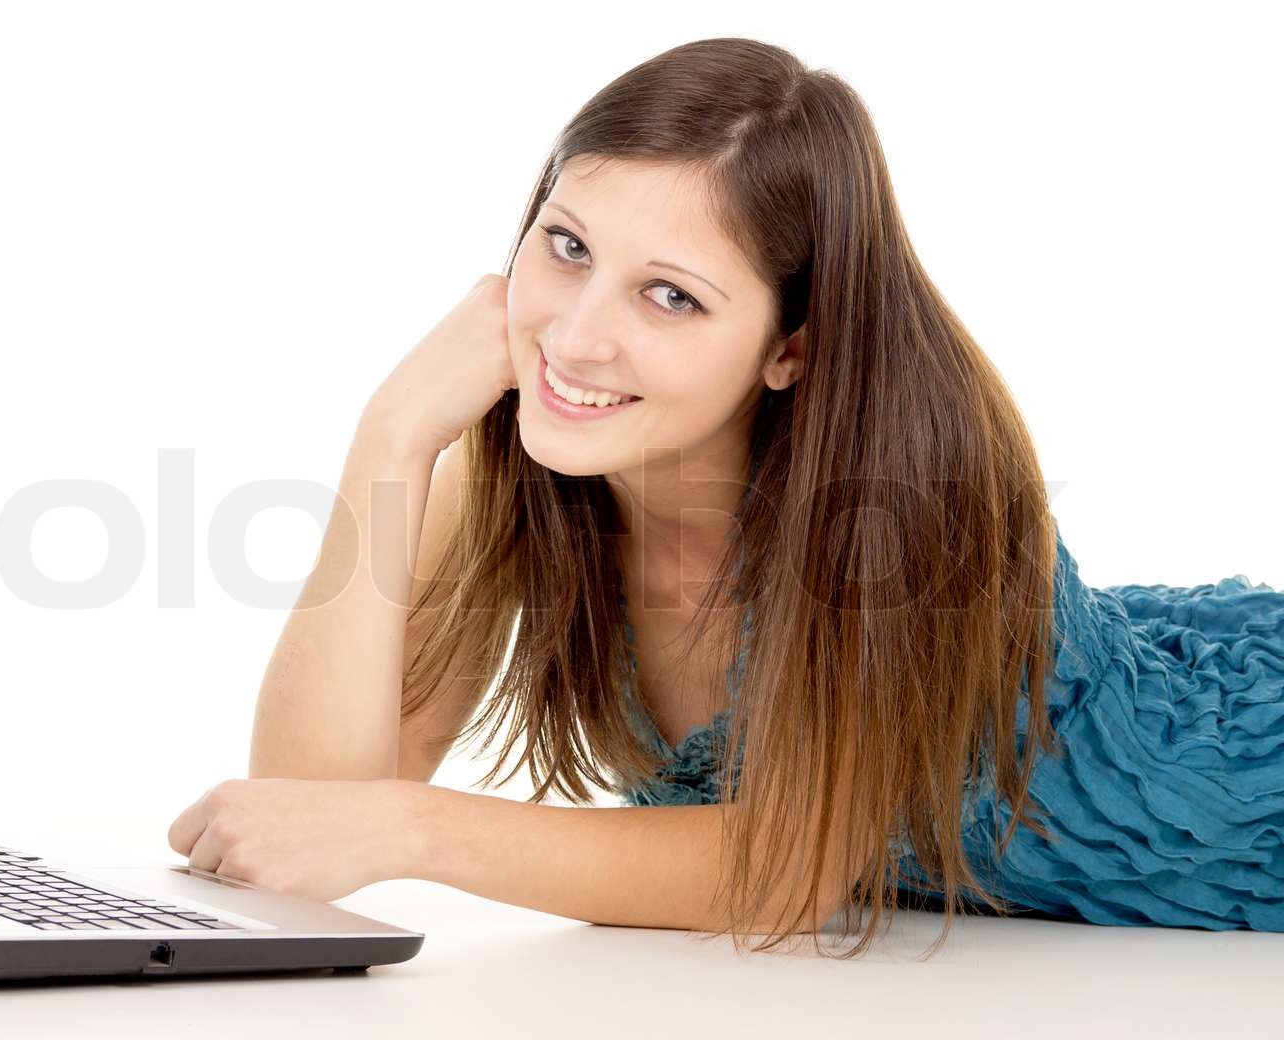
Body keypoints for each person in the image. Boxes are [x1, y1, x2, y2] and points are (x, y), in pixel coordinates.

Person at [174, 37, 1284, 960]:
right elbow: (301, 818)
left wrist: (415, 831)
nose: (575, 337)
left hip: (1241, 790)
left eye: (670, 295)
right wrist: (391, 439)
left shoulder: (912, 496)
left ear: (790, 347)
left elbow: (789, 869)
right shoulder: (518, 457)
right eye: (567, 246)